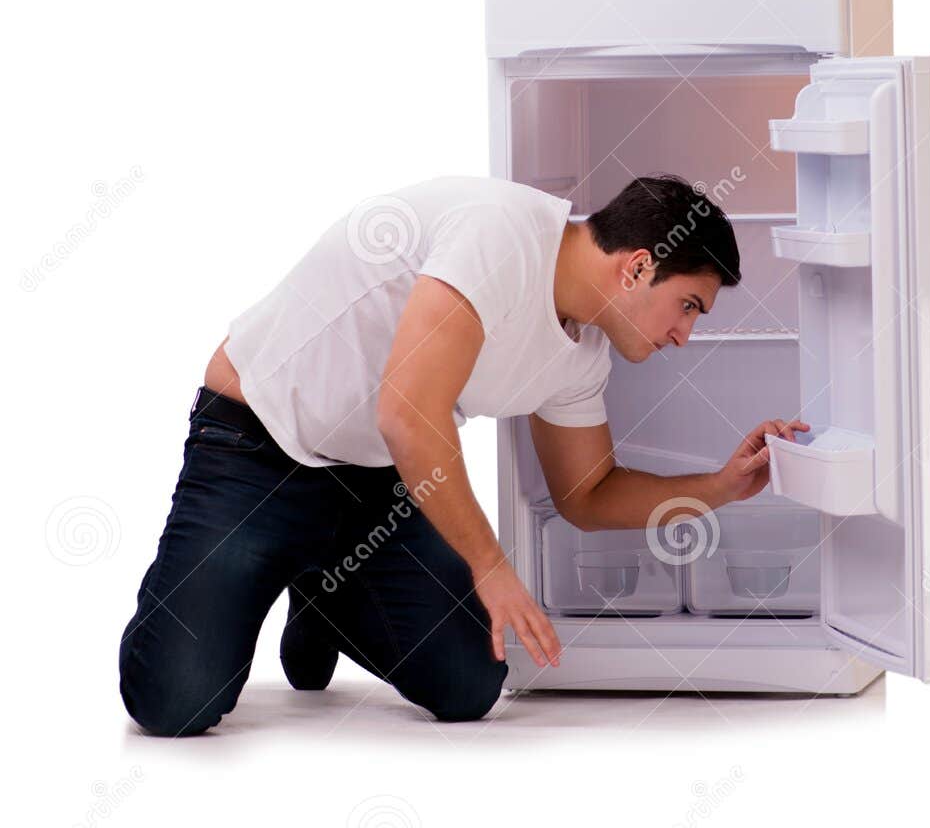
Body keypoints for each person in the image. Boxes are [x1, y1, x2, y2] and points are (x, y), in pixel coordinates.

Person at [118, 172, 807, 735]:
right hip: (256, 446)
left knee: (470, 684)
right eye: (688, 305)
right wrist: (490, 564)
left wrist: (718, 486)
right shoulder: (500, 234)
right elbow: (408, 412)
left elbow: (588, 495)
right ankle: (262, 578)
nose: (684, 335)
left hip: (377, 486)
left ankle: (323, 590)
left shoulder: (584, 353)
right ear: (637, 267)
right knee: (175, 702)